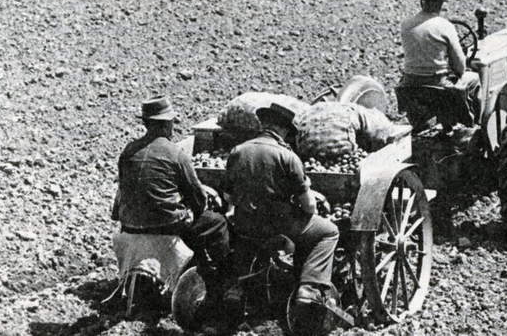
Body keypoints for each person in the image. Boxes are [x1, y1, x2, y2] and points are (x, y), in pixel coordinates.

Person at [223, 103, 339, 308]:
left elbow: (228, 197)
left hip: (245, 225)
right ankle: (310, 287)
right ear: (283, 130)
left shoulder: (237, 151)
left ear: (264, 124)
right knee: (329, 232)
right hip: (279, 226)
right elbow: (310, 207)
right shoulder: (288, 156)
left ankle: (238, 287)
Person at [111, 97, 232, 291]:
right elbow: (198, 200)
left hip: (129, 223)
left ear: (145, 123)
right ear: (168, 125)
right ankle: (224, 282)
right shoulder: (176, 153)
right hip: (165, 225)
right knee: (216, 223)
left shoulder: (129, 151)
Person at [399, 0, 480, 120]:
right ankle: (474, 122)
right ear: (439, 5)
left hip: (409, 82)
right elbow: (460, 66)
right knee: (474, 79)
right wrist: (457, 70)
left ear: (421, 2)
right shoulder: (445, 26)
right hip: (437, 83)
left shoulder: (406, 24)